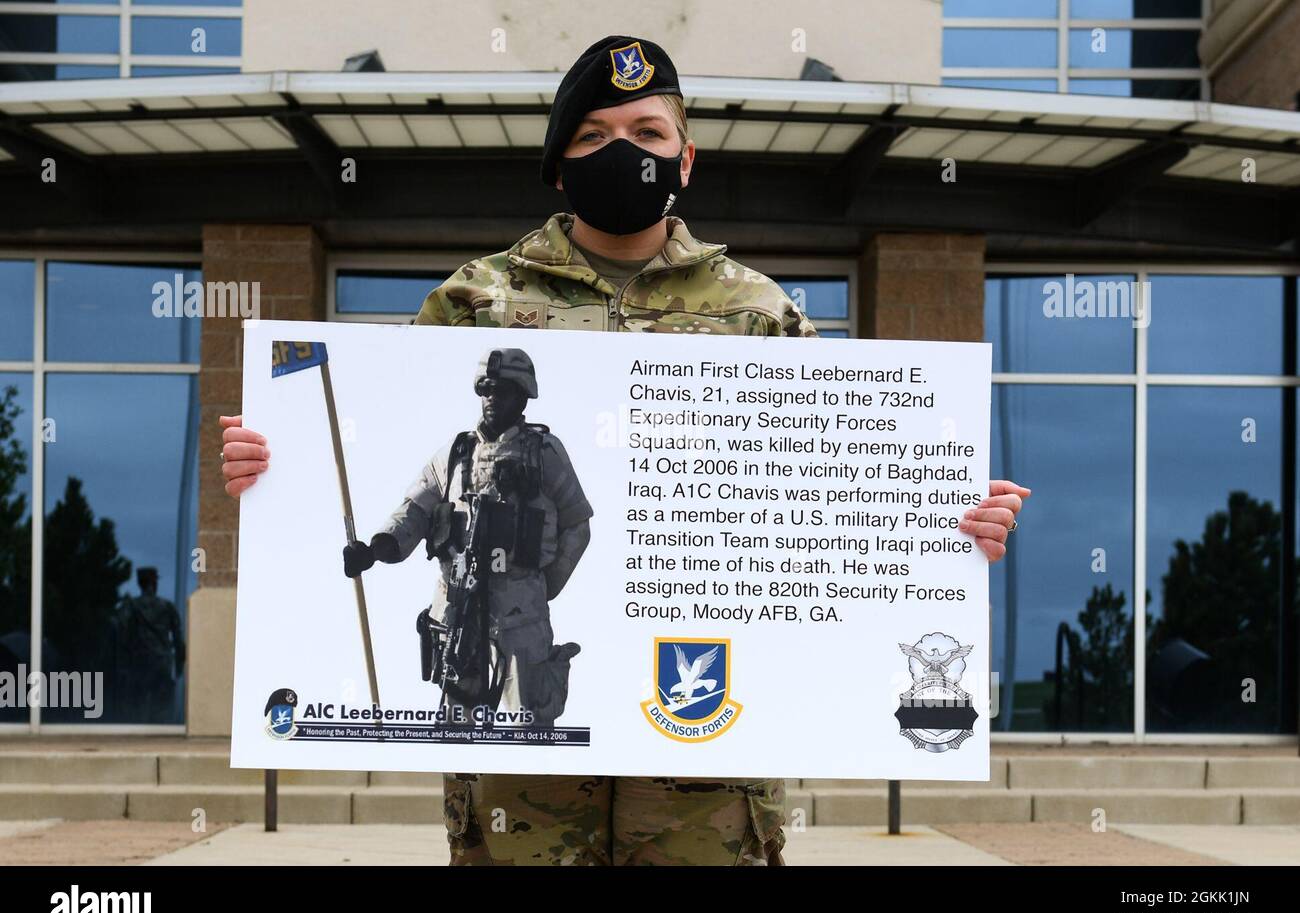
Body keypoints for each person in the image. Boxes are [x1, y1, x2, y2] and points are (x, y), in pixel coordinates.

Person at [221, 34, 1031, 865]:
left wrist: (949, 526)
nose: (625, 151)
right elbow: (408, 470)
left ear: (687, 159)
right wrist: (272, 469)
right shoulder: (475, 299)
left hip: (704, 730)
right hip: (513, 755)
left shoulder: (760, 315)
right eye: (596, 134)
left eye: (648, 133)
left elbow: (844, 487)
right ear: (562, 163)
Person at [342, 347, 592, 728]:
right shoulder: (456, 453)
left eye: (503, 391)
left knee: (528, 724)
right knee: (456, 728)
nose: (492, 399)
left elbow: (577, 523)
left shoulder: (544, 454)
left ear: (522, 395)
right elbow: (414, 510)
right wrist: (376, 549)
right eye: (486, 390)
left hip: (519, 614)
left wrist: (544, 585)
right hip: (458, 610)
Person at [114, 567, 184, 722]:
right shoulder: (167, 607)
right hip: (162, 664)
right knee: (161, 713)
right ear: (154, 583)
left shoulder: (131, 606)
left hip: (140, 664)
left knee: (137, 712)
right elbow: (178, 639)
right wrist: (179, 665)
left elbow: (120, 629)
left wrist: (124, 661)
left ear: (140, 583)